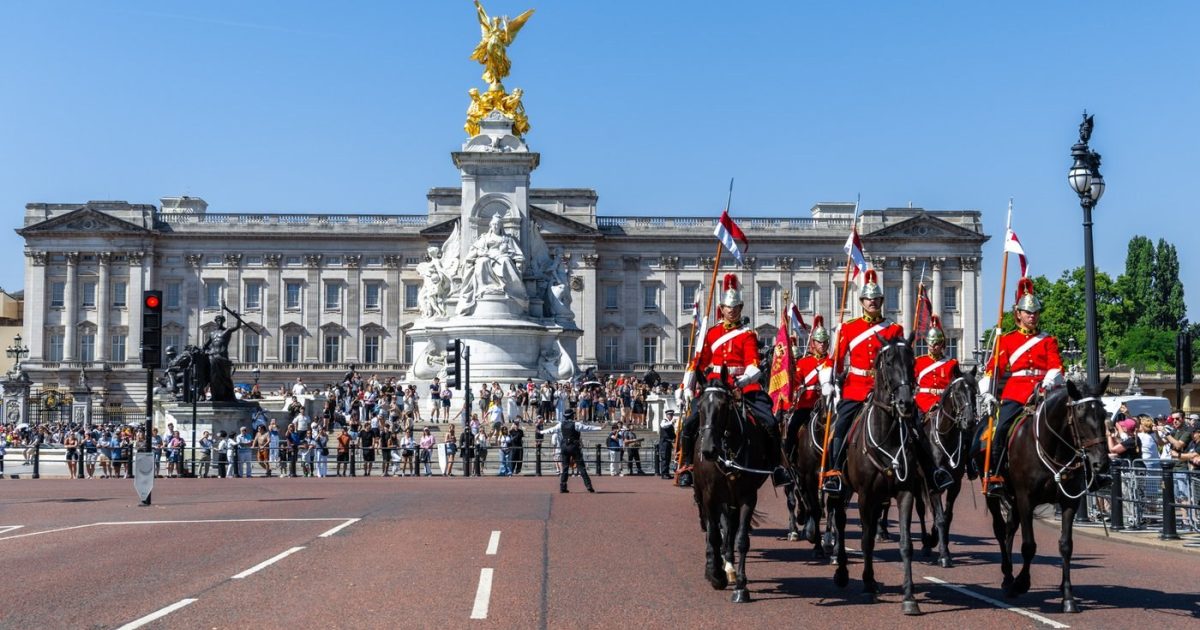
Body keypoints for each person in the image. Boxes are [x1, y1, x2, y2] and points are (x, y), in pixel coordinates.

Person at [678, 274, 786, 487]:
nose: (732, 311)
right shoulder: (711, 333)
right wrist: (687, 385)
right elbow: (699, 362)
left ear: (740, 308)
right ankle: (688, 466)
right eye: (728, 307)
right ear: (721, 308)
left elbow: (754, 363)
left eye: (736, 307)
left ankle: (777, 467)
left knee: (770, 423)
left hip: (742, 387)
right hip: (714, 386)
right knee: (689, 425)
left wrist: (743, 381)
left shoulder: (747, 335)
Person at [975, 277, 1064, 497]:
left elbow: (1056, 366)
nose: (1032, 316)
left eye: (1035, 313)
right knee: (1001, 428)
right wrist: (987, 392)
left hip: (1045, 391)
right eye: (1028, 312)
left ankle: (1079, 471)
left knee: (1072, 424)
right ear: (1019, 315)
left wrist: (1050, 380)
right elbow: (992, 369)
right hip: (1016, 393)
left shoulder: (1048, 340)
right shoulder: (1006, 340)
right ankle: (995, 475)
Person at [823, 269, 905, 493]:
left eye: (876, 299)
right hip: (856, 388)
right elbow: (836, 360)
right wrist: (828, 381)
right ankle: (835, 471)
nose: (873, 302)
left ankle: (919, 470)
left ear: (881, 301)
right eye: (869, 299)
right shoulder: (849, 328)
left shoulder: (894, 329)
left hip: (886, 390)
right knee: (840, 426)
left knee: (912, 426)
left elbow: (900, 360)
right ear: (861, 302)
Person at [910, 316, 957, 491]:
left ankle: (970, 462)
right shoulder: (919, 362)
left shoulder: (952, 363)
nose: (934, 346)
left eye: (937, 343)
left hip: (945, 404)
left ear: (942, 344)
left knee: (964, 429)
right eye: (931, 343)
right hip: (924, 402)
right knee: (914, 430)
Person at [786, 316, 832, 456]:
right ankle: (790, 456)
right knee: (793, 426)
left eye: (825, 342)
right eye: (819, 342)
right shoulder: (804, 363)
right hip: (807, 402)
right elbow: (796, 382)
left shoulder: (832, 362)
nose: (822, 345)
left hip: (827, 403)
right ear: (813, 343)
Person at [538, 409, 601, 493]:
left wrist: (541, 431)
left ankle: (562, 487)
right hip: (574, 446)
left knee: (565, 467)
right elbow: (588, 428)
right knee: (581, 467)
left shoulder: (561, 424)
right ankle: (588, 486)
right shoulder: (576, 424)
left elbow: (551, 430)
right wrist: (599, 427)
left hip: (564, 446)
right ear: (572, 416)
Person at [658, 409, 677, 478]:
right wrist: (671, 422)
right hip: (664, 442)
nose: (671, 416)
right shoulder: (664, 421)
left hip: (668, 442)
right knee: (664, 458)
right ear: (666, 415)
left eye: (672, 415)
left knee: (668, 458)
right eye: (670, 415)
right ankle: (664, 474)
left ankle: (667, 473)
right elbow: (663, 426)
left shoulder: (669, 423)